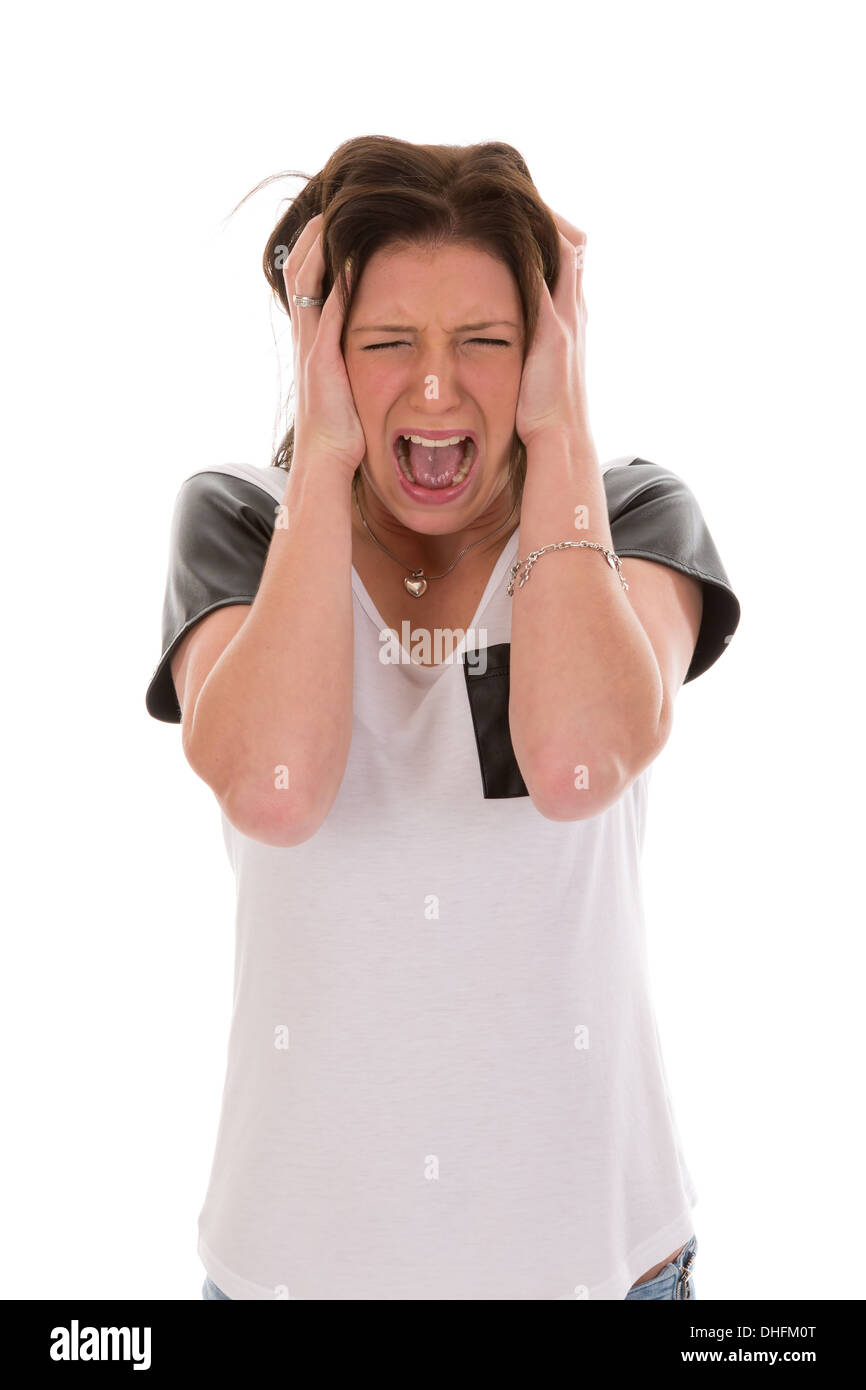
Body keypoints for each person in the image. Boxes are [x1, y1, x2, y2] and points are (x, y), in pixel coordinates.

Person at [145, 136, 740, 1300]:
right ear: (323, 350)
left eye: (484, 342)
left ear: (542, 350)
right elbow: (274, 786)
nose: (434, 387)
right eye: (382, 345)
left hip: (598, 1273)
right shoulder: (237, 521)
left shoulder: (627, 517)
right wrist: (320, 456)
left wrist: (558, 433)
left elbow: (574, 763)